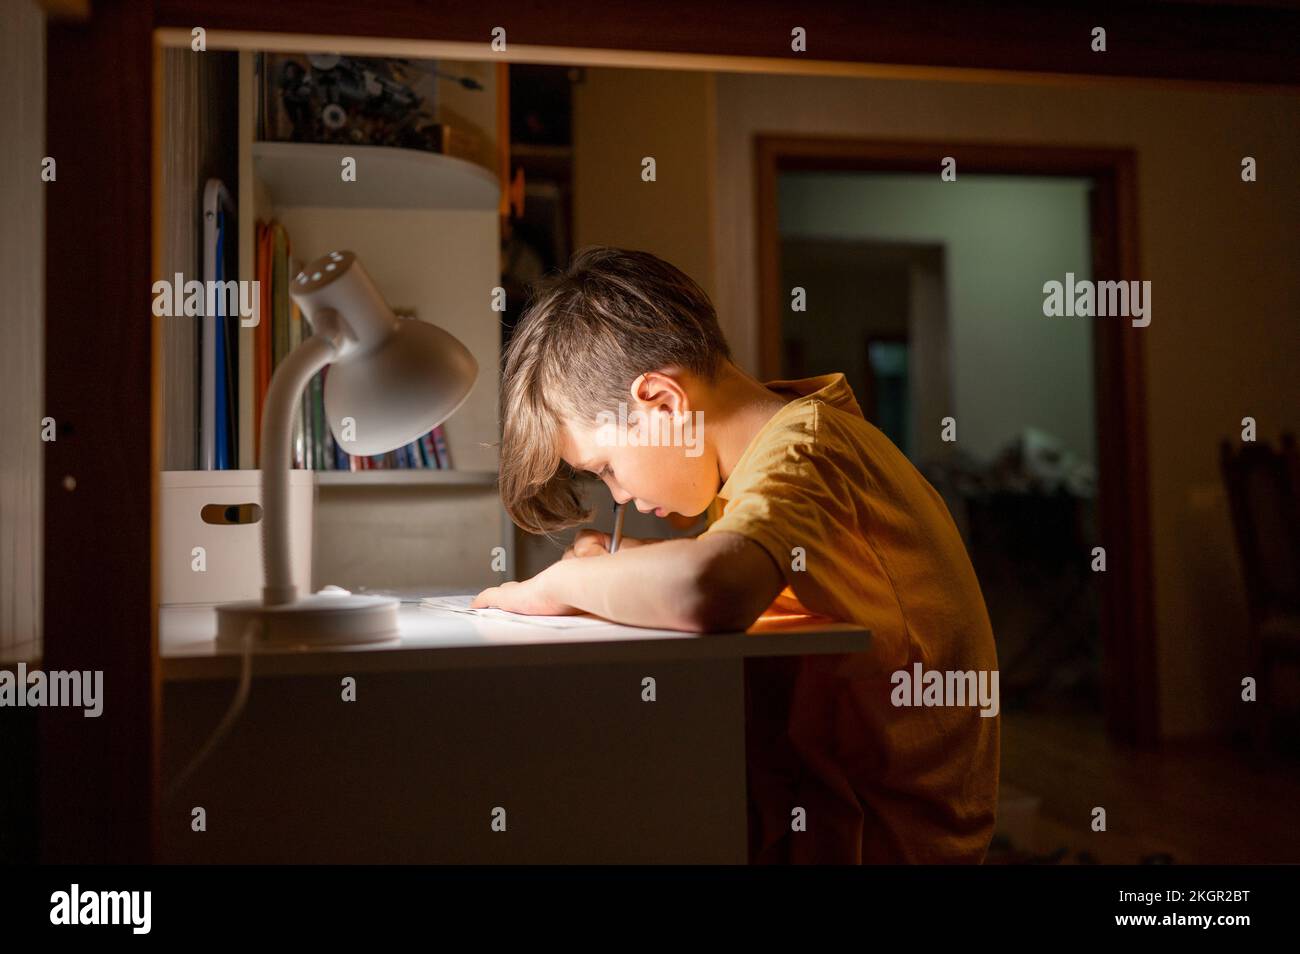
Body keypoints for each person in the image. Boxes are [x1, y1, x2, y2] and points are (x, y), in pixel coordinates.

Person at [473, 246, 999, 863]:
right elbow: (785, 574)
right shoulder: (783, 449)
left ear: (664, 404)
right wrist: (627, 561)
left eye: (608, 467)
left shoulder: (806, 452)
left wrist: (555, 585)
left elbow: (710, 589)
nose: (622, 497)